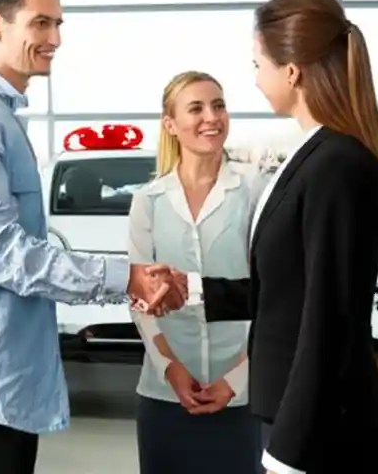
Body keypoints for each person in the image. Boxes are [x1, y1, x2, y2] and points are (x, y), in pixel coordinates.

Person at [0, 0, 180, 473]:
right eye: (41, 22)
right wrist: (124, 277)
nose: (55, 37)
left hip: (9, 371)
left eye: (58, 23)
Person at [157, 0, 378, 474]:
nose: (254, 79)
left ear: (291, 72)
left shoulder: (337, 165)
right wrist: (196, 291)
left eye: (257, 65)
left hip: (323, 433)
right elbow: (289, 293)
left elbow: (327, 323)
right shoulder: (313, 155)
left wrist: (290, 450)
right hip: (300, 419)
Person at [128, 70, 263, 474]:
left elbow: (273, 293)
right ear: (170, 124)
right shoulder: (148, 201)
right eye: (197, 108)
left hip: (244, 396)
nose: (212, 117)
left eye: (218, 105)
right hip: (164, 396)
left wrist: (236, 379)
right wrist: (171, 368)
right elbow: (140, 298)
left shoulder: (255, 190)